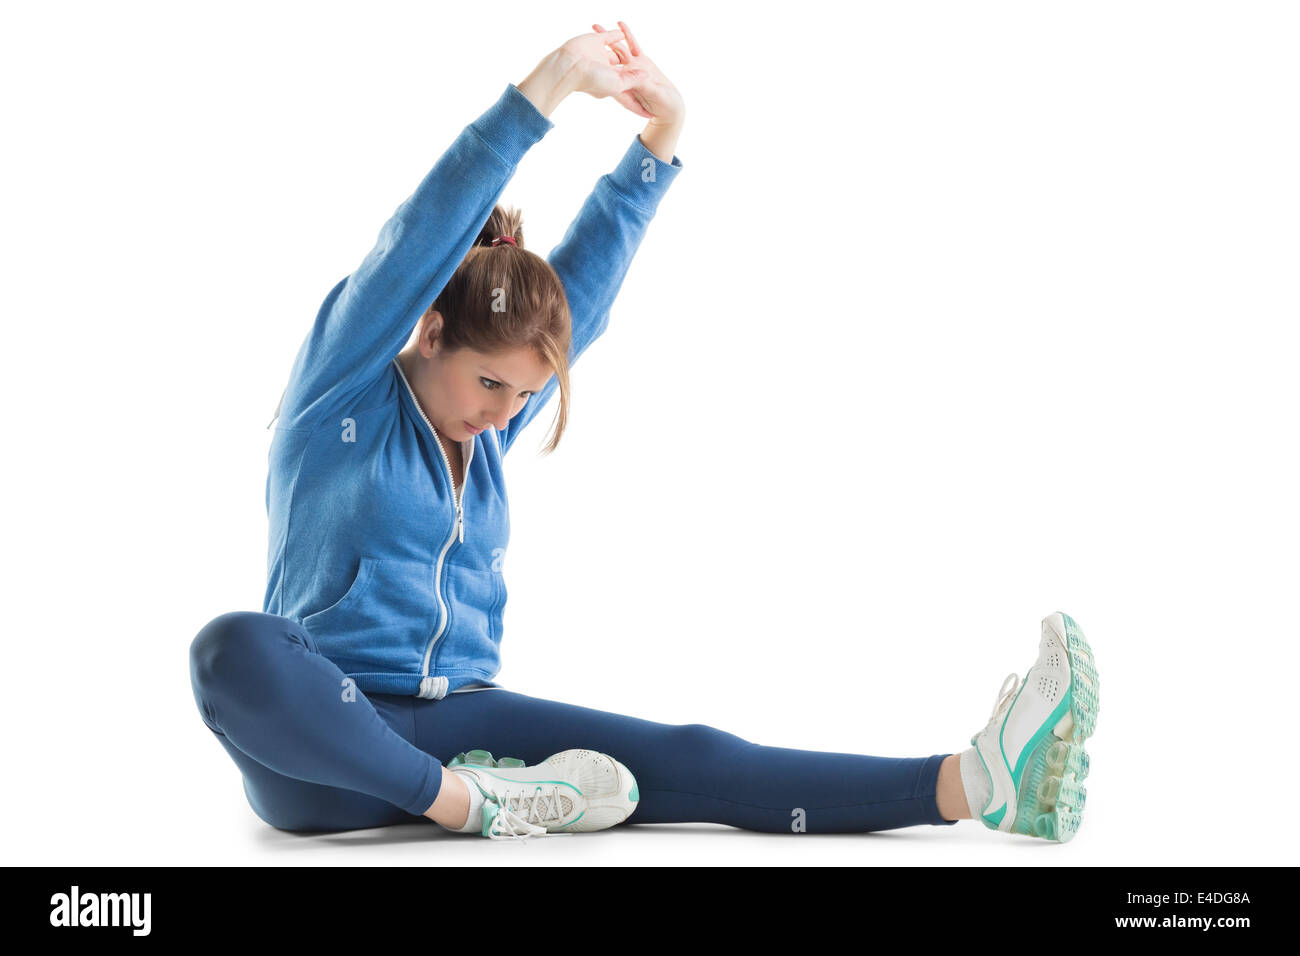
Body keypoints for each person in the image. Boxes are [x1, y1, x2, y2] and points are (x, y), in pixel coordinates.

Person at [189, 22, 1099, 843]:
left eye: (528, 391)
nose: (506, 412)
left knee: (693, 752)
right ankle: (470, 807)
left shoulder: (487, 434)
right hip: (319, 753)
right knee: (234, 648)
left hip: (468, 722)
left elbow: (581, 293)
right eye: (491, 382)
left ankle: (980, 783)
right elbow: (417, 237)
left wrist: (659, 142)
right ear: (428, 333)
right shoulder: (340, 395)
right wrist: (541, 92)